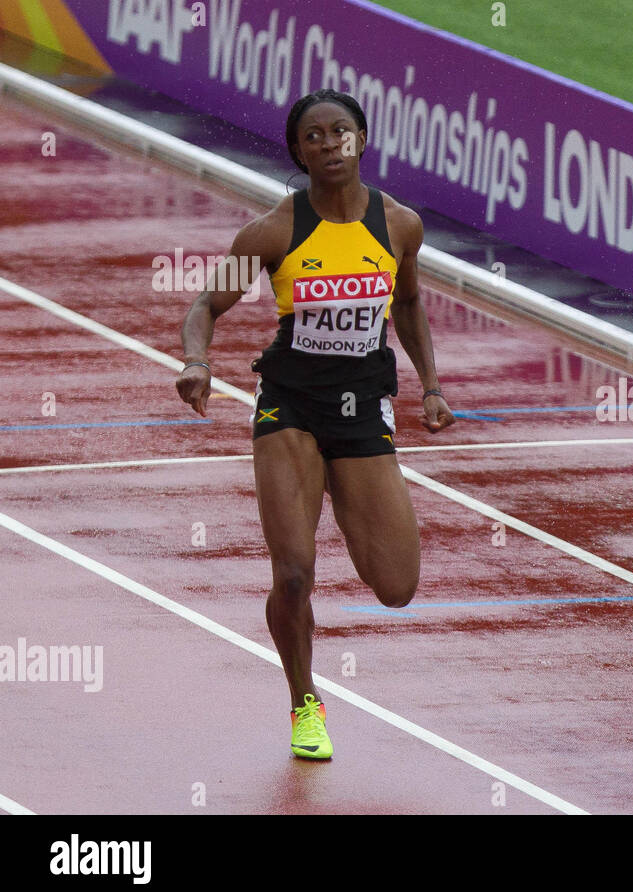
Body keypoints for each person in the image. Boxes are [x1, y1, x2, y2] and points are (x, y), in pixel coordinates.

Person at [175, 89, 455, 760]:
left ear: (363, 139)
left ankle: (346, 490)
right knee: (295, 571)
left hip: (361, 411)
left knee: (396, 586)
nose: (330, 145)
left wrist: (433, 387)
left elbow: (409, 304)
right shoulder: (274, 232)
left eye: (341, 132)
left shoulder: (400, 227)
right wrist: (195, 360)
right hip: (290, 405)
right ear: (297, 152)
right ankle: (305, 703)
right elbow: (205, 306)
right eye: (315, 137)